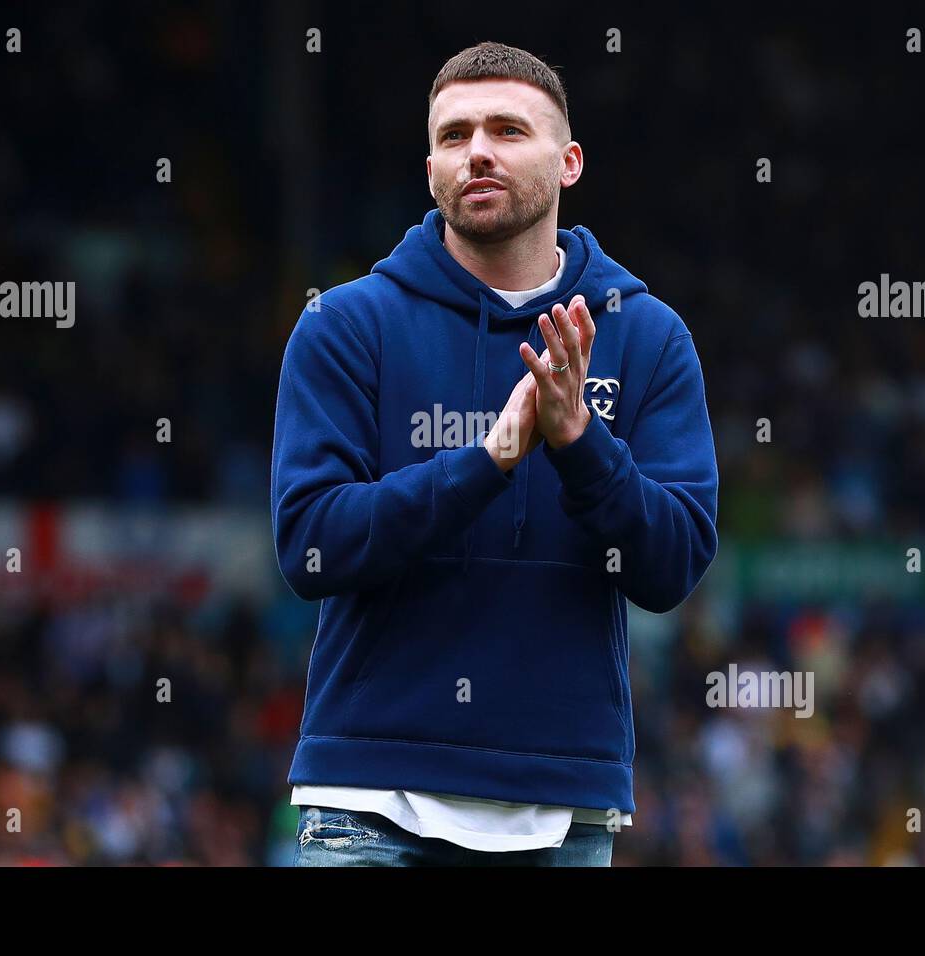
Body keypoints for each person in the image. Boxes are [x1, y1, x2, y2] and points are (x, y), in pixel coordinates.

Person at [271, 41, 719, 866]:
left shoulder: (647, 335)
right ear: (433, 167)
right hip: (369, 802)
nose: (478, 150)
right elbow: (308, 544)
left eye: (509, 129)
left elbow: (672, 566)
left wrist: (582, 445)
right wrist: (489, 459)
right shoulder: (343, 325)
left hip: (564, 805)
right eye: (455, 135)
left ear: (569, 161)